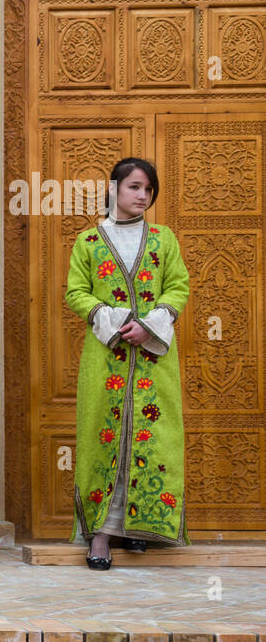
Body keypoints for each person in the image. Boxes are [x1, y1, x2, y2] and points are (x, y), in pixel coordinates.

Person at [64, 157, 190, 570]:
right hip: (106, 360)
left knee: (153, 437)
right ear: (114, 187)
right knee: (105, 436)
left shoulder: (163, 238)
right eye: (135, 187)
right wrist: (117, 323)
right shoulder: (87, 241)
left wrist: (152, 325)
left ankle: (139, 528)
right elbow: (76, 292)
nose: (142, 196)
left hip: (154, 361)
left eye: (148, 190)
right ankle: (101, 535)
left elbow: (177, 285)